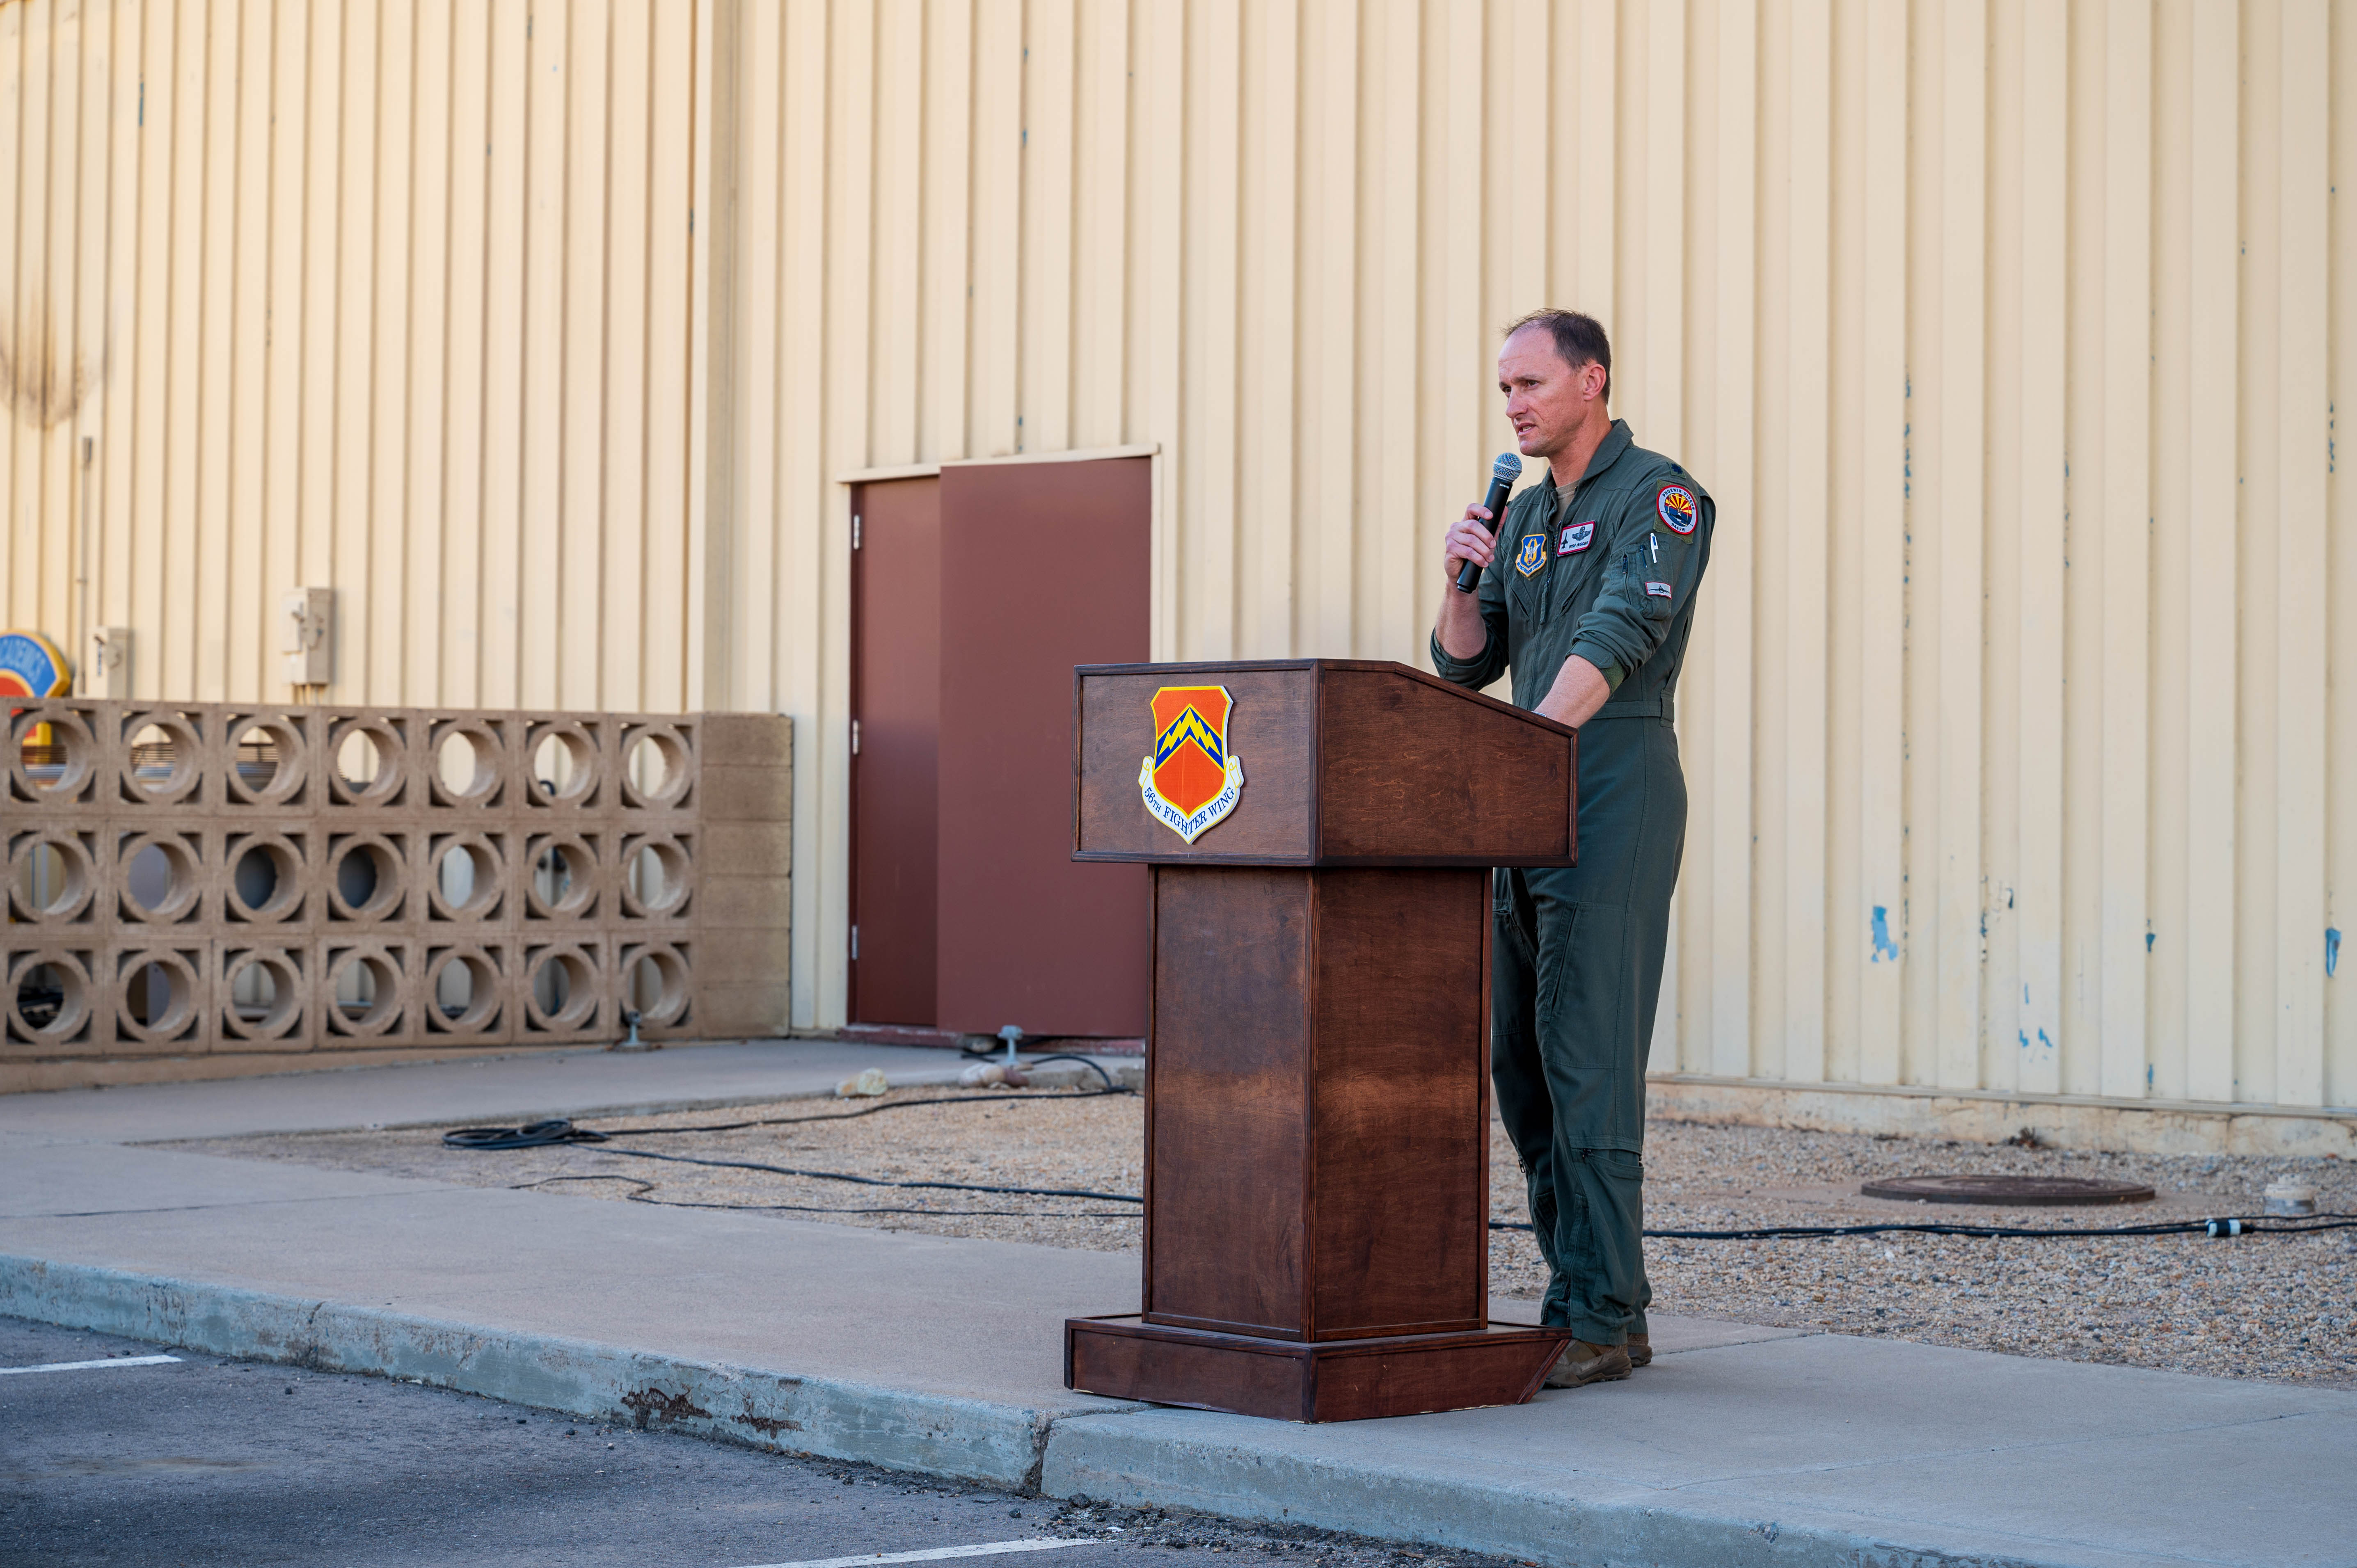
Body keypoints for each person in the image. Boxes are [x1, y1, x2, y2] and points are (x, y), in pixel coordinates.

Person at [1430, 309, 1714, 1389]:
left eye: (1532, 383)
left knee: (1589, 1058)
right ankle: (1586, 1297)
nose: (1514, 404)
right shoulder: (1527, 515)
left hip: (1610, 784)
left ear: (1593, 379)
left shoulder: (1660, 496)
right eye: (1504, 388)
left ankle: (1601, 1311)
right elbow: (1465, 665)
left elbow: (1619, 637)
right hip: (1525, 790)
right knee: (1524, 1065)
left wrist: (1536, 743)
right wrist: (1462, 577)